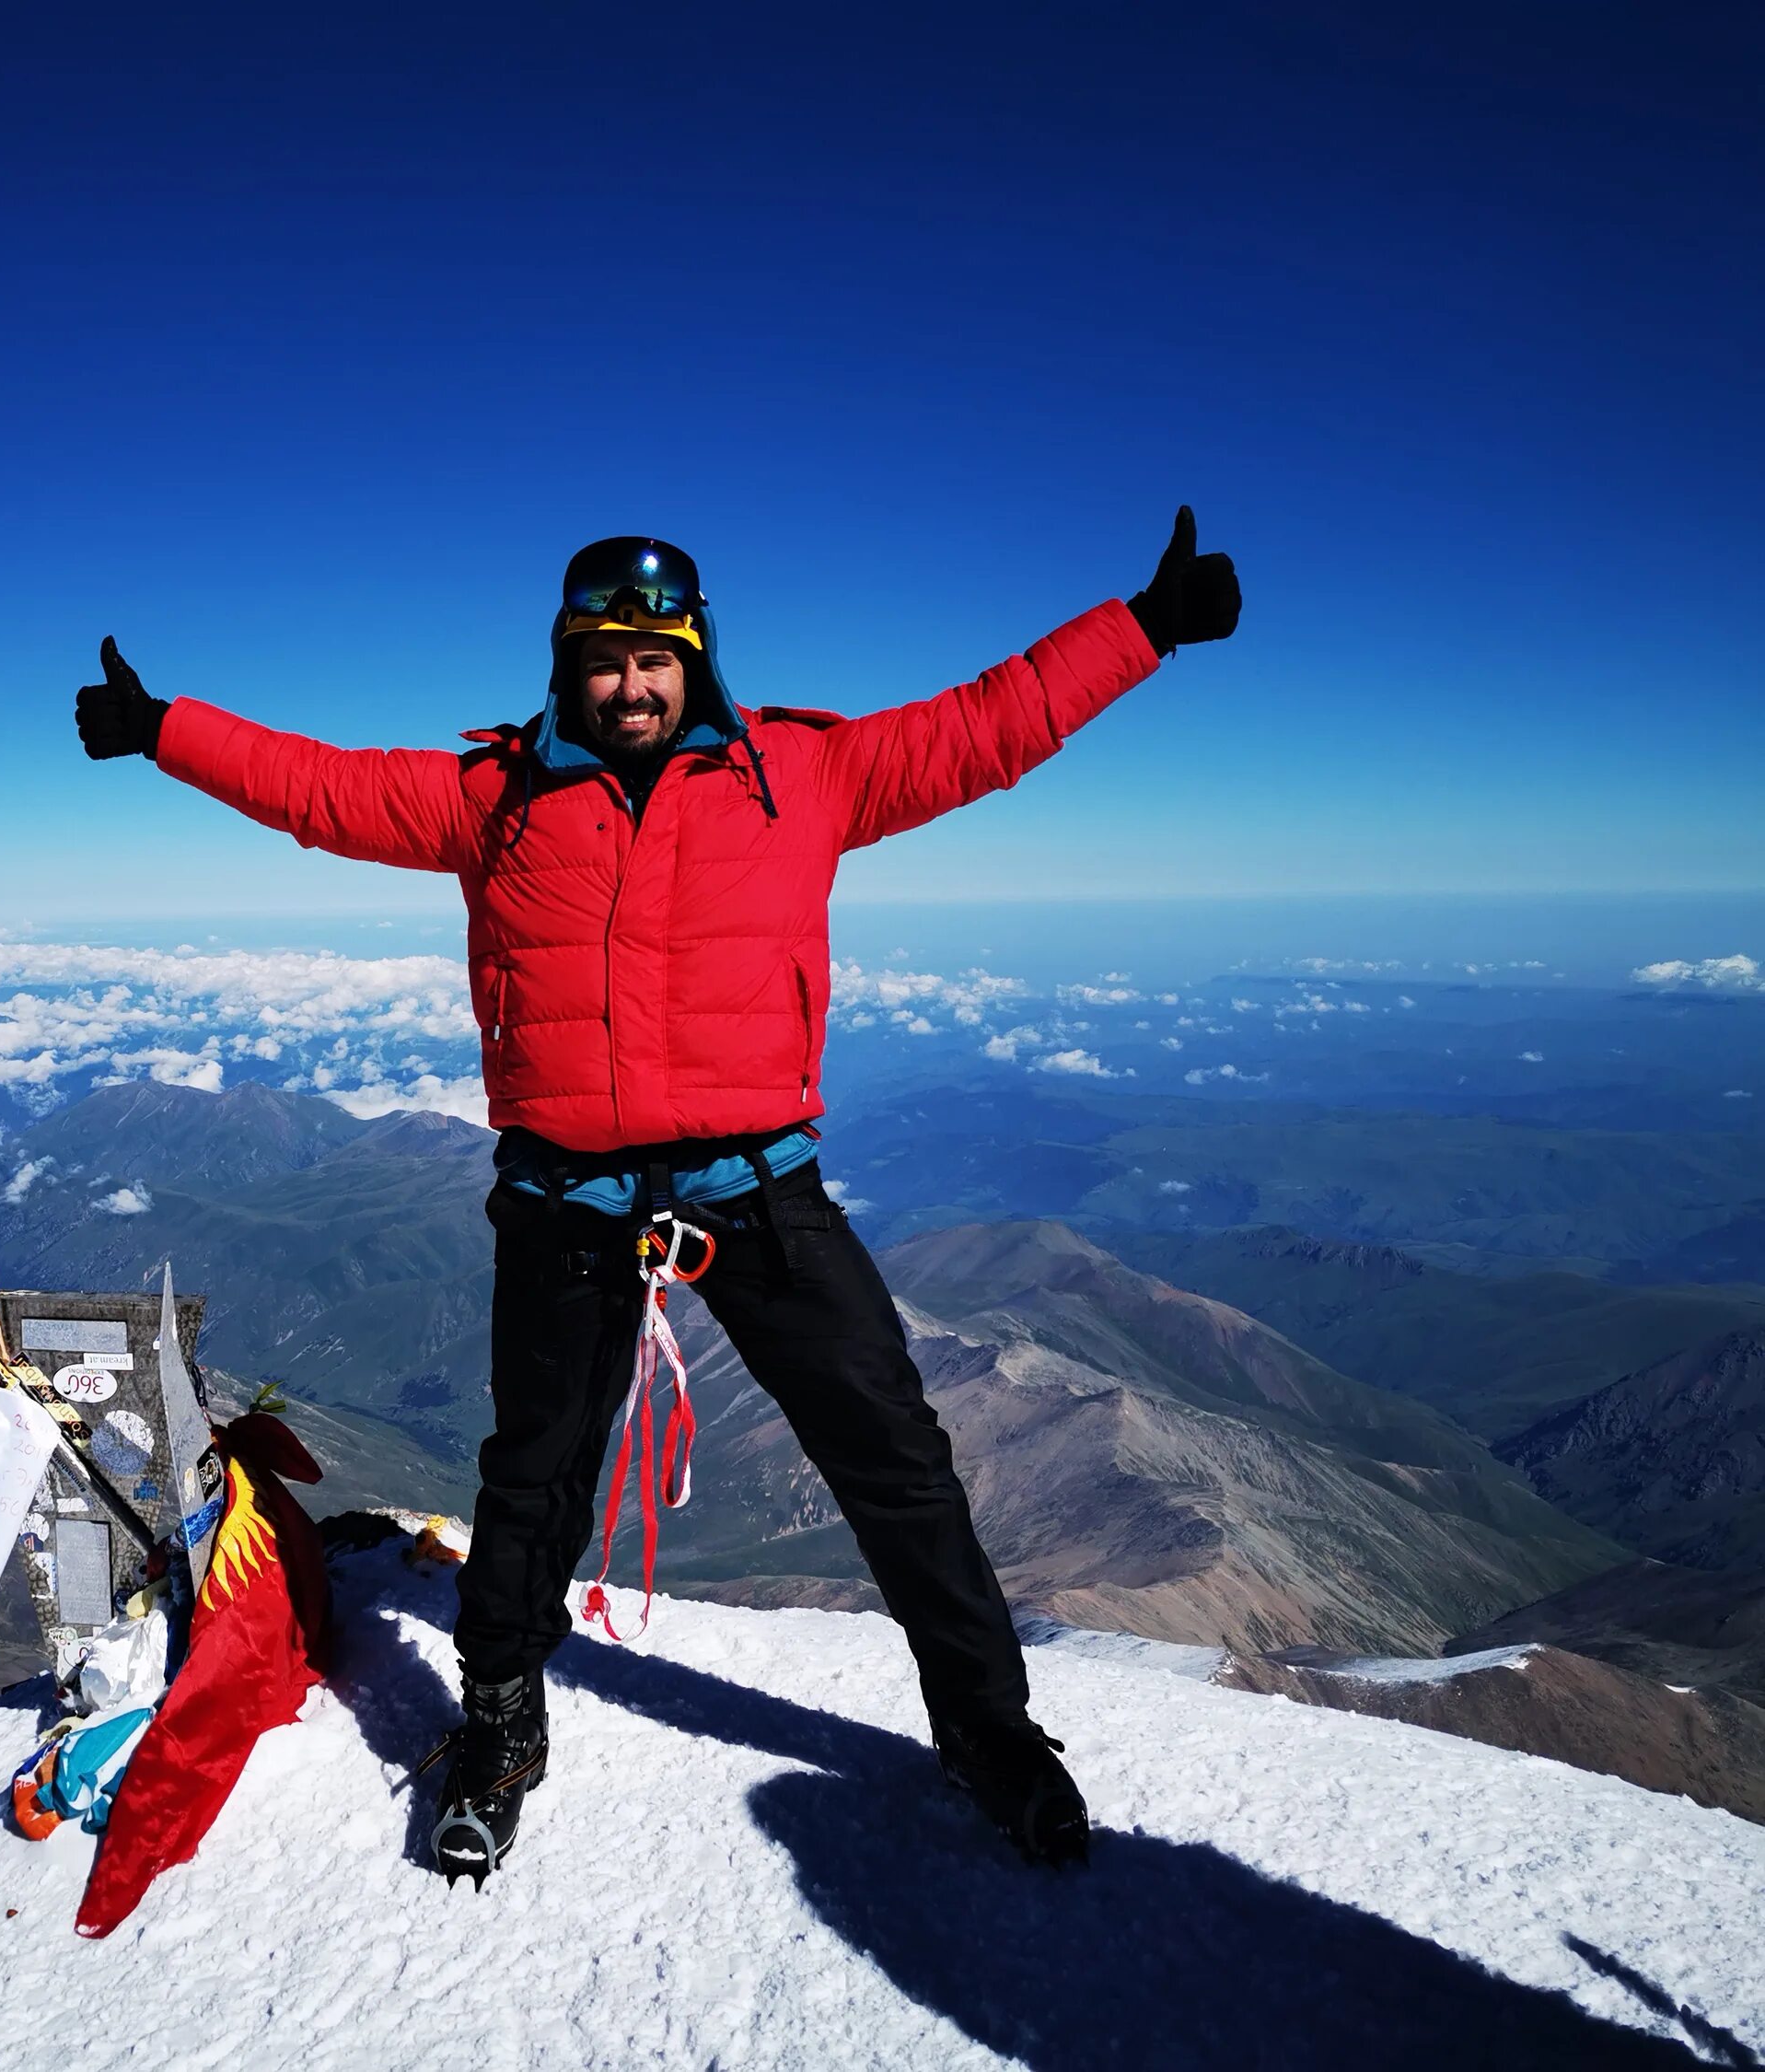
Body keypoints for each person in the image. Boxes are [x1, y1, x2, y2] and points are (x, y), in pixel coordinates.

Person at [74, 515, 1241, 1882]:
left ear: (696, 660)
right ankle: (500, 1721)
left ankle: (990, 1731)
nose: (631, 686)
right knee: (534, 1475)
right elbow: (319, 789)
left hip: (762, 1188)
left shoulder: (802, 774)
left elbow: (987, 726)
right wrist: (167, 730)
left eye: (655, 658)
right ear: (567, 666)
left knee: (898, 1464)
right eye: (604, 660)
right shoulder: (490, 798)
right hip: (565, 1199)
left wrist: (1143, 626)